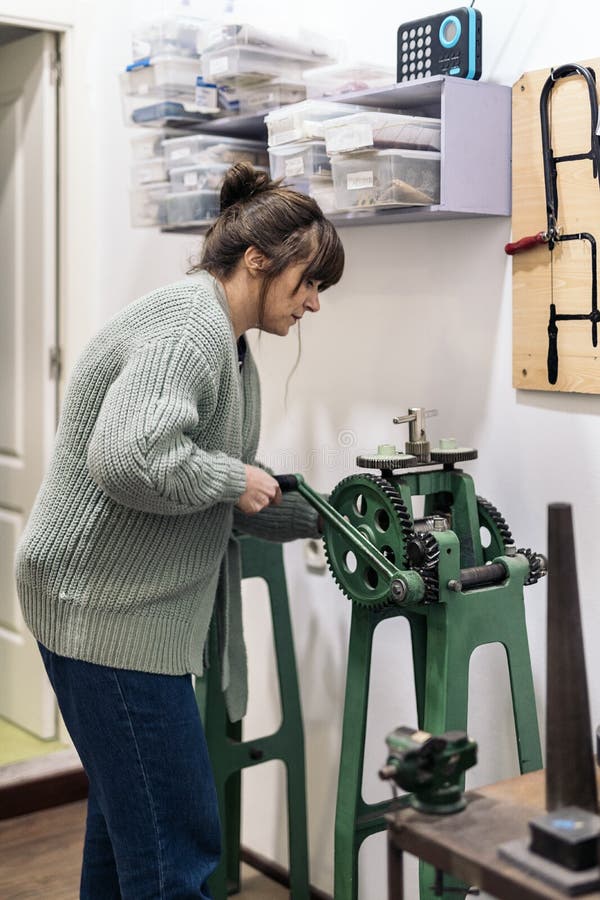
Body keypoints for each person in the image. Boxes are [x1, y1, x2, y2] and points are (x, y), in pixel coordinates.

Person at [14, 162, 345, 899]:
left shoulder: (224, 339)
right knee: (177, 848)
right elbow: (132, 457)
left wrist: (327, 515)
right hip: (104, 612)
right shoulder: (189, 328)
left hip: (112, 606)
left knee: (130, 827)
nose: (315, 303)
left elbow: (216, 479)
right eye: (309, 280)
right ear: (259, 260)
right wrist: (238, 479)